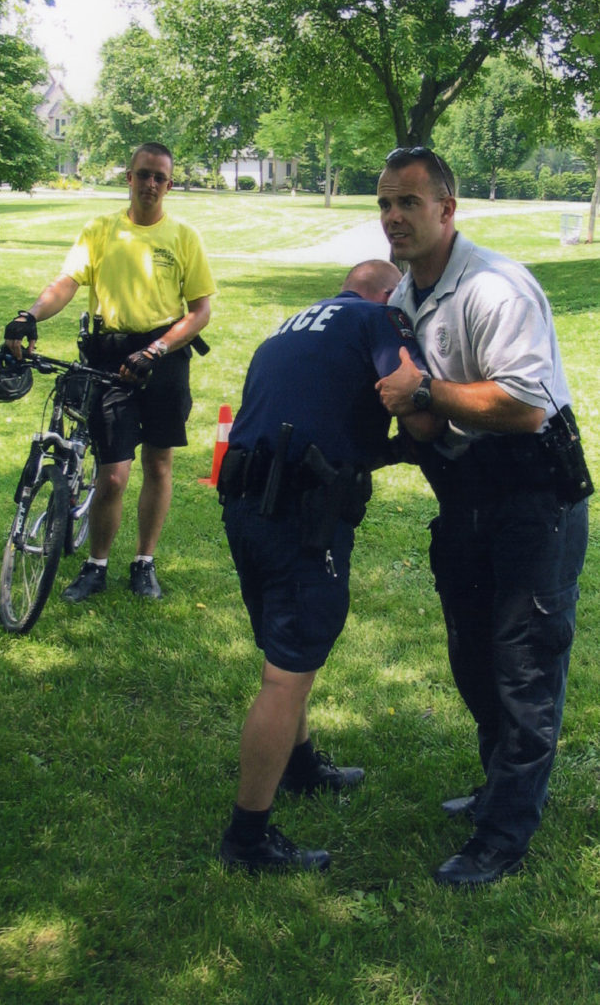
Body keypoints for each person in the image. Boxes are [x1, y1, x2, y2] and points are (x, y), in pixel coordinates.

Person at [375, 147, 592, 887]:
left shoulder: (496, 288)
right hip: (466, 496)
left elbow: (525, 407)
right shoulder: (404, 298)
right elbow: (423, 419)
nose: (394, 217)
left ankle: (504, 836)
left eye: (409, 202)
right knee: (473, 655)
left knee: (522, 664)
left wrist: (425, 394)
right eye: (384, 204)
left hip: (535, 495)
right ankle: (501, 785)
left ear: (447, 209)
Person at [217, 259, 442, 874]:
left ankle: (300, 765)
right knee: (286, 674)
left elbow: (314, 413)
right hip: (300, 514)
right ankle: (247, 839)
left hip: (244, 504)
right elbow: (418, 410)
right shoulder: (378, 320)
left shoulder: (286, 328)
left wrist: (380, 452)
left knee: (286, 654)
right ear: (387, 293)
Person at [4, 142, 217, 602]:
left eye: (160, 177)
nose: (151, 184)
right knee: (112, 474)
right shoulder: (101, 230)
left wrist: (158, 349)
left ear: (170, 184)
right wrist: (30, 316)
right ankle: (96, 565)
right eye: (144, 174)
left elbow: (200, 312)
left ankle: (143, 562)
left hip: (164, 356)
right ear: (129, 177)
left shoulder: (183, 237)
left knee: (158, 464)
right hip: (110, 358)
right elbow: (65, 283)